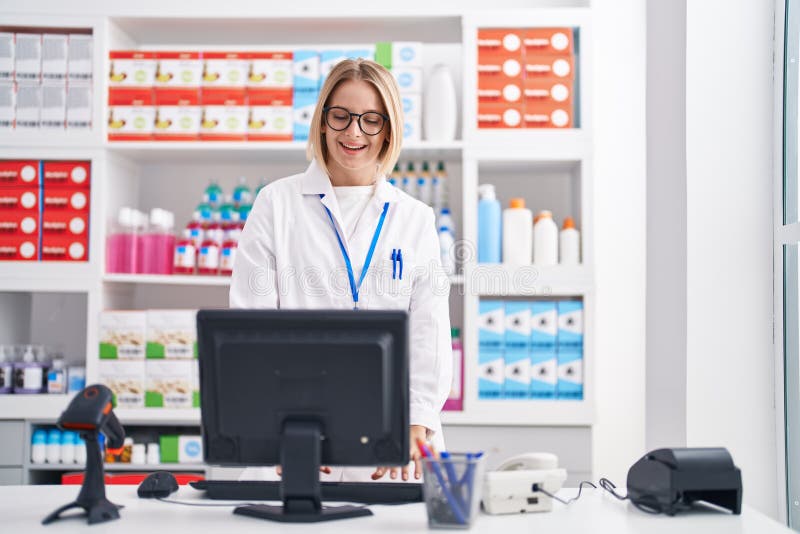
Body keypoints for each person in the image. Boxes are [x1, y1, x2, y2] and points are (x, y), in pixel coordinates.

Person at [229, 58, 452, 482]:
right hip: (294, 429)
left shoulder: (415, 218)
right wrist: (273, 424)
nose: (354, 132)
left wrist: (415, 421)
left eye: (371, 120)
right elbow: (248, 328)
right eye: (341, 116)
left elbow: (431, 332)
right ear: (323, 121)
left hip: (398, 433)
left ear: (388, 128)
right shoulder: (276, 204)